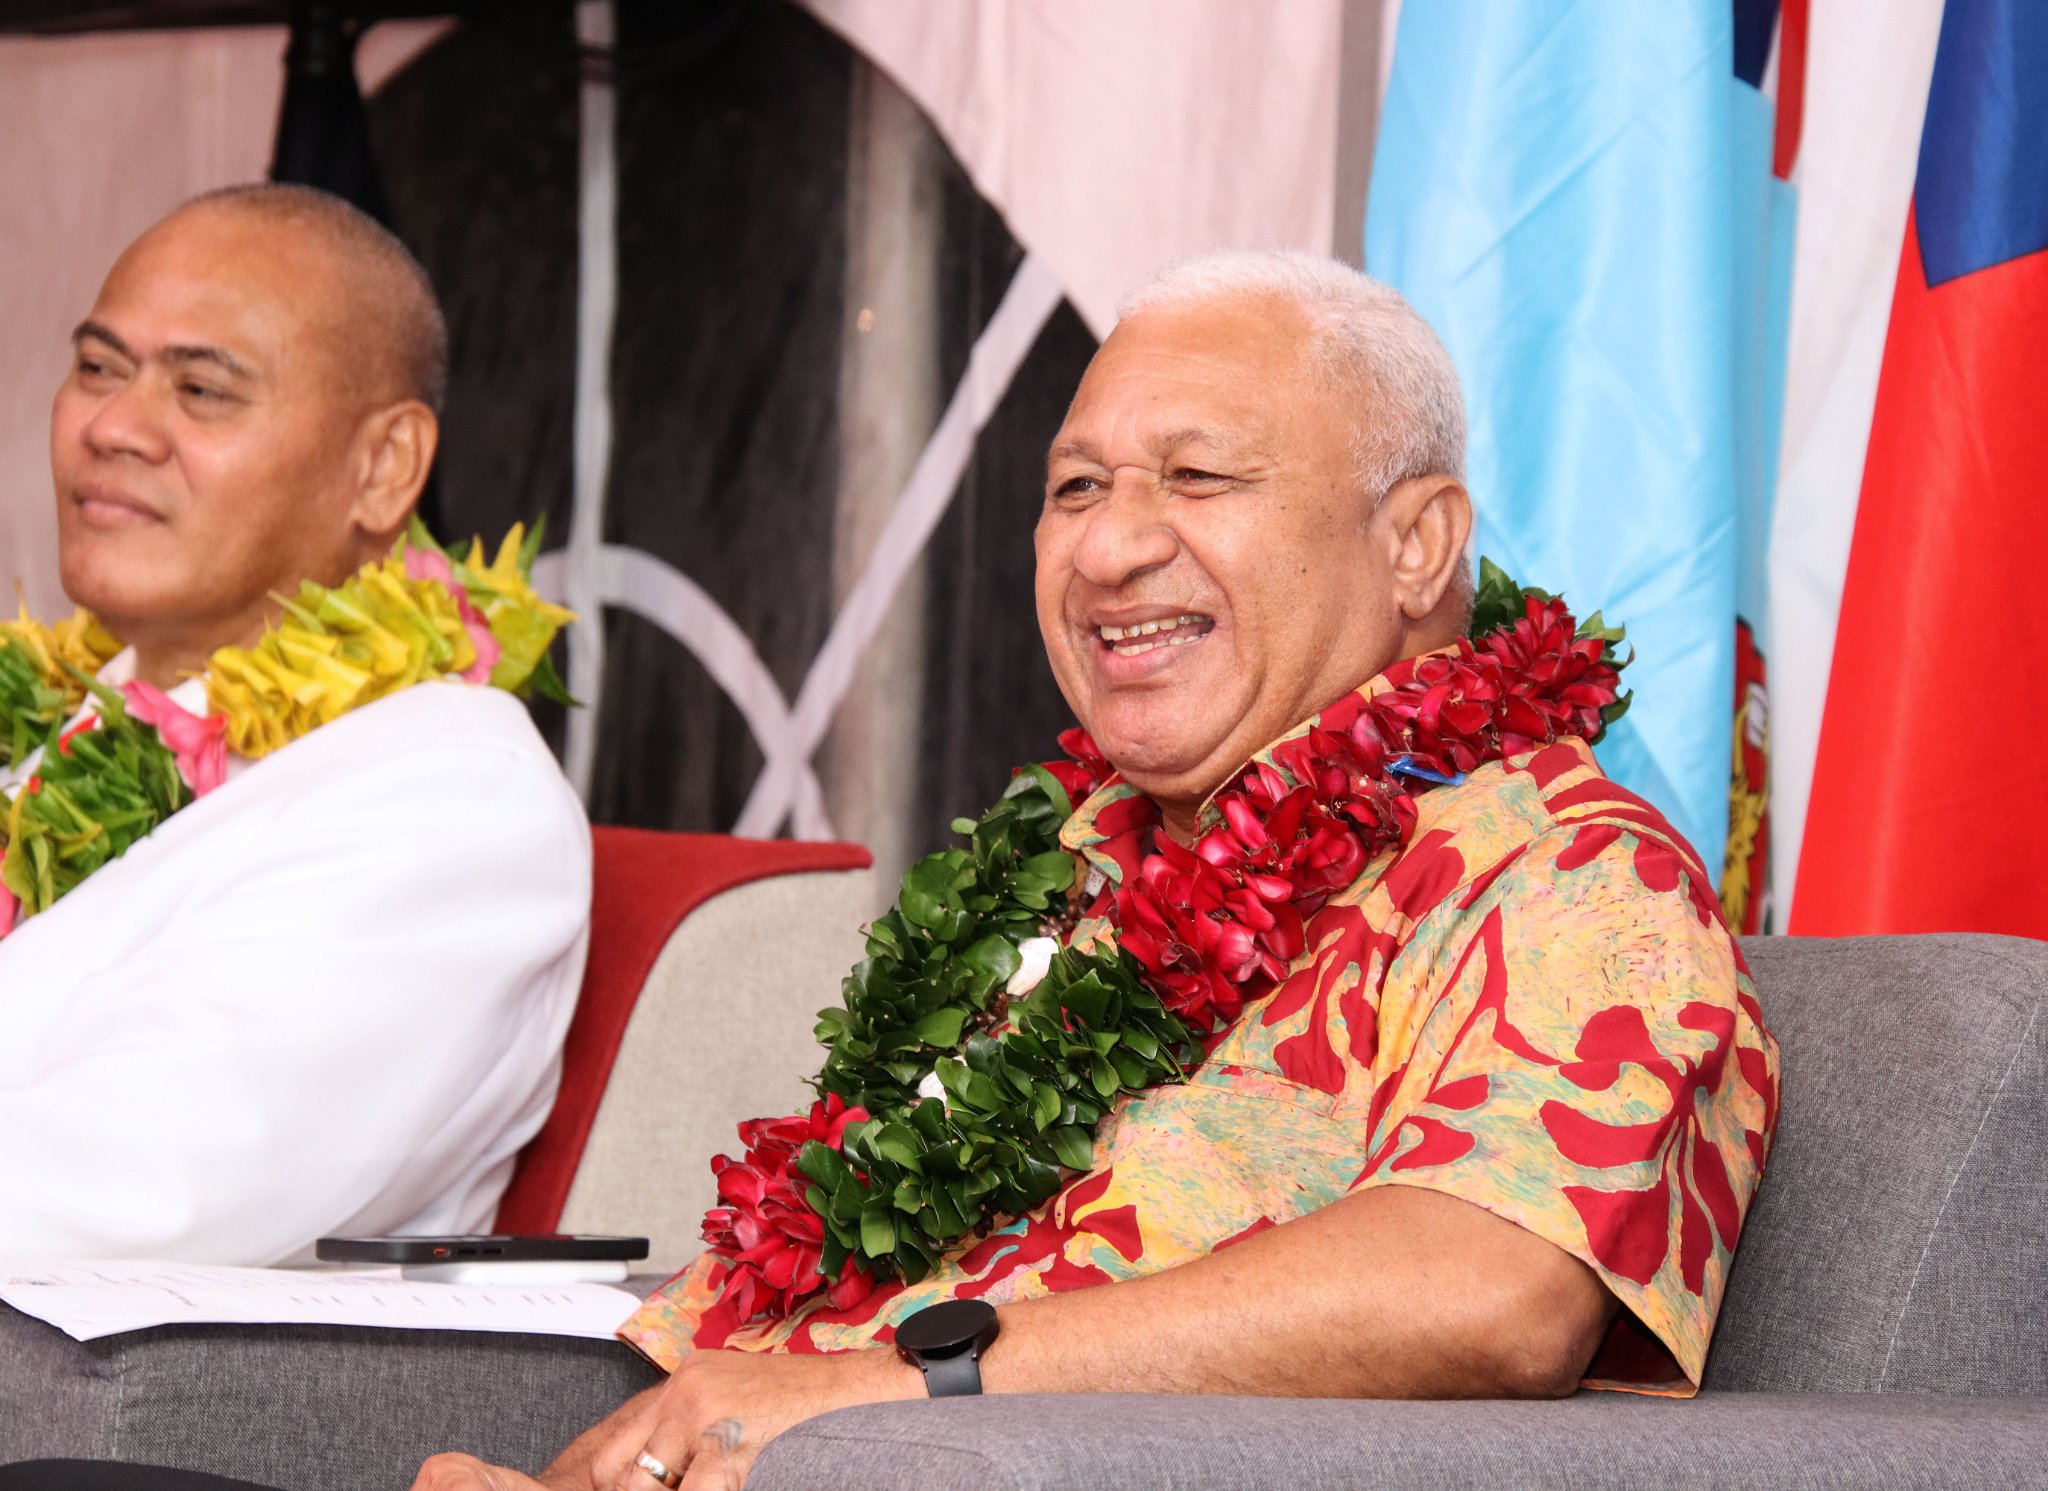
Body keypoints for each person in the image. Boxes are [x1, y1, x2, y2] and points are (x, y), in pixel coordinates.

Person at [3, 250, 1776, 1491]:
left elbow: (1491, 1289)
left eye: (1195, 476)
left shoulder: (1568, 869)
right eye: (1072, 486)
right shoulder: (1057, 873)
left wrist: (901, 1389)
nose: (1110, 545)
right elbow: (773, 1320)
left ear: (1417, 543)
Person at [0, 185, 590, 1263]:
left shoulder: (454, 797)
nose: (113, 426)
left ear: (384, 467)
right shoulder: (57, 727)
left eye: (201, 389)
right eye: (97, 366)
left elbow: (117, 1196)